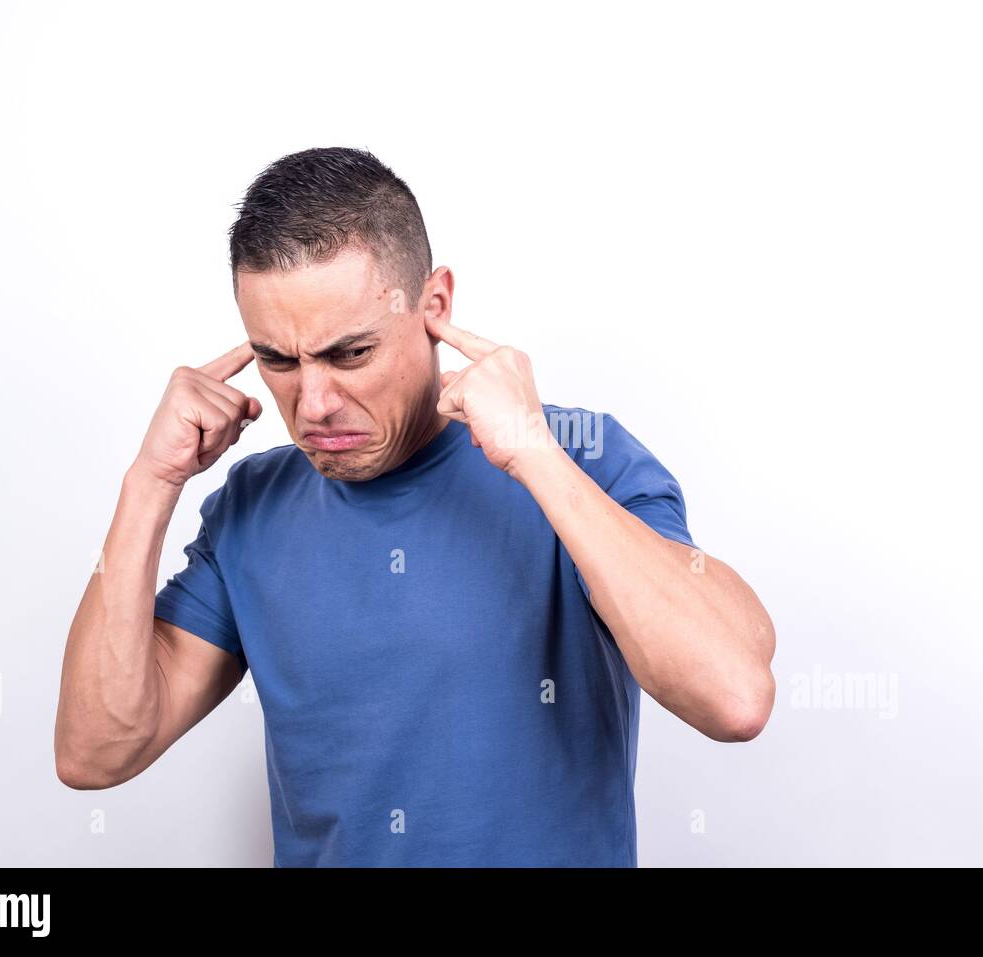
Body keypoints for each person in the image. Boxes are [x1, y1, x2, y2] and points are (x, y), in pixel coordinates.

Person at [54, 147, 777, 866]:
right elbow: (94, 750)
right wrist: (150, 482)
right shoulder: (251, 508)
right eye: (278, 359)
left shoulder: (581, 458)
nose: (314, 403)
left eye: (351, 353)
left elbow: (735, 696)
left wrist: (535, 458)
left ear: (433, 307)